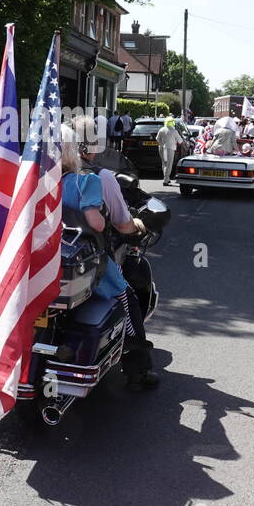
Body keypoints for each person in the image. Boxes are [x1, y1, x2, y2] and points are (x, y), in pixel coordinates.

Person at [61, 131, 158, 389]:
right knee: (127, 299)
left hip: (42, 261)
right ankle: (137, 371)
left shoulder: (34, 179)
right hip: (85, 261)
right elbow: (98, 221)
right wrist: (105, 221)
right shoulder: (88, 180)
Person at [156, 115, 185, 185]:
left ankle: (167, 178)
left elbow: (157, 139)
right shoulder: (174, 131)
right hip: (170, 148)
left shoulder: (161, 129)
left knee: (164, 163)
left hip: (162, 148)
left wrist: (162, 144)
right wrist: (184, 146)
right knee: (169, 164)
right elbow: (180, 141)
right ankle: (165, 180)